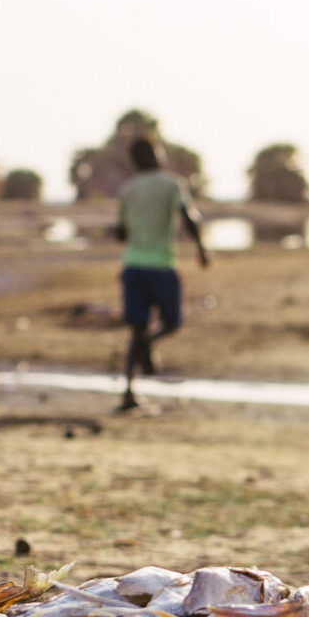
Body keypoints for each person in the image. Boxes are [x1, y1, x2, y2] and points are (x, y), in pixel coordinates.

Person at [112, 136, 211, 411]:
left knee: (137, 331)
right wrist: (202, 247)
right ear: (156, 156)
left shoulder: (127, 190)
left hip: (133, 265)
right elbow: (189, 216)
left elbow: (121, 232)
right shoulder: (171, 184)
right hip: (161, 264)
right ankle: (147, 349)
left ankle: (129, 391)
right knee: (172, 322)